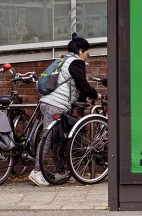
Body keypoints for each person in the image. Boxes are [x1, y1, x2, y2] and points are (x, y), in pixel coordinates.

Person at [28, 33, 98, 187]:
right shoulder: (76, 63)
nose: (88, 56)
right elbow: (82, 85)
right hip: (55, 105)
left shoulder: (63, 60)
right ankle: (37, 171)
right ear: (80, 51)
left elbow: (70, 86)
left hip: (50, 103)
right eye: (87, 52)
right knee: (48, 136)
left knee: (57, 139)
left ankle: (61, 172)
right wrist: (95, 95)